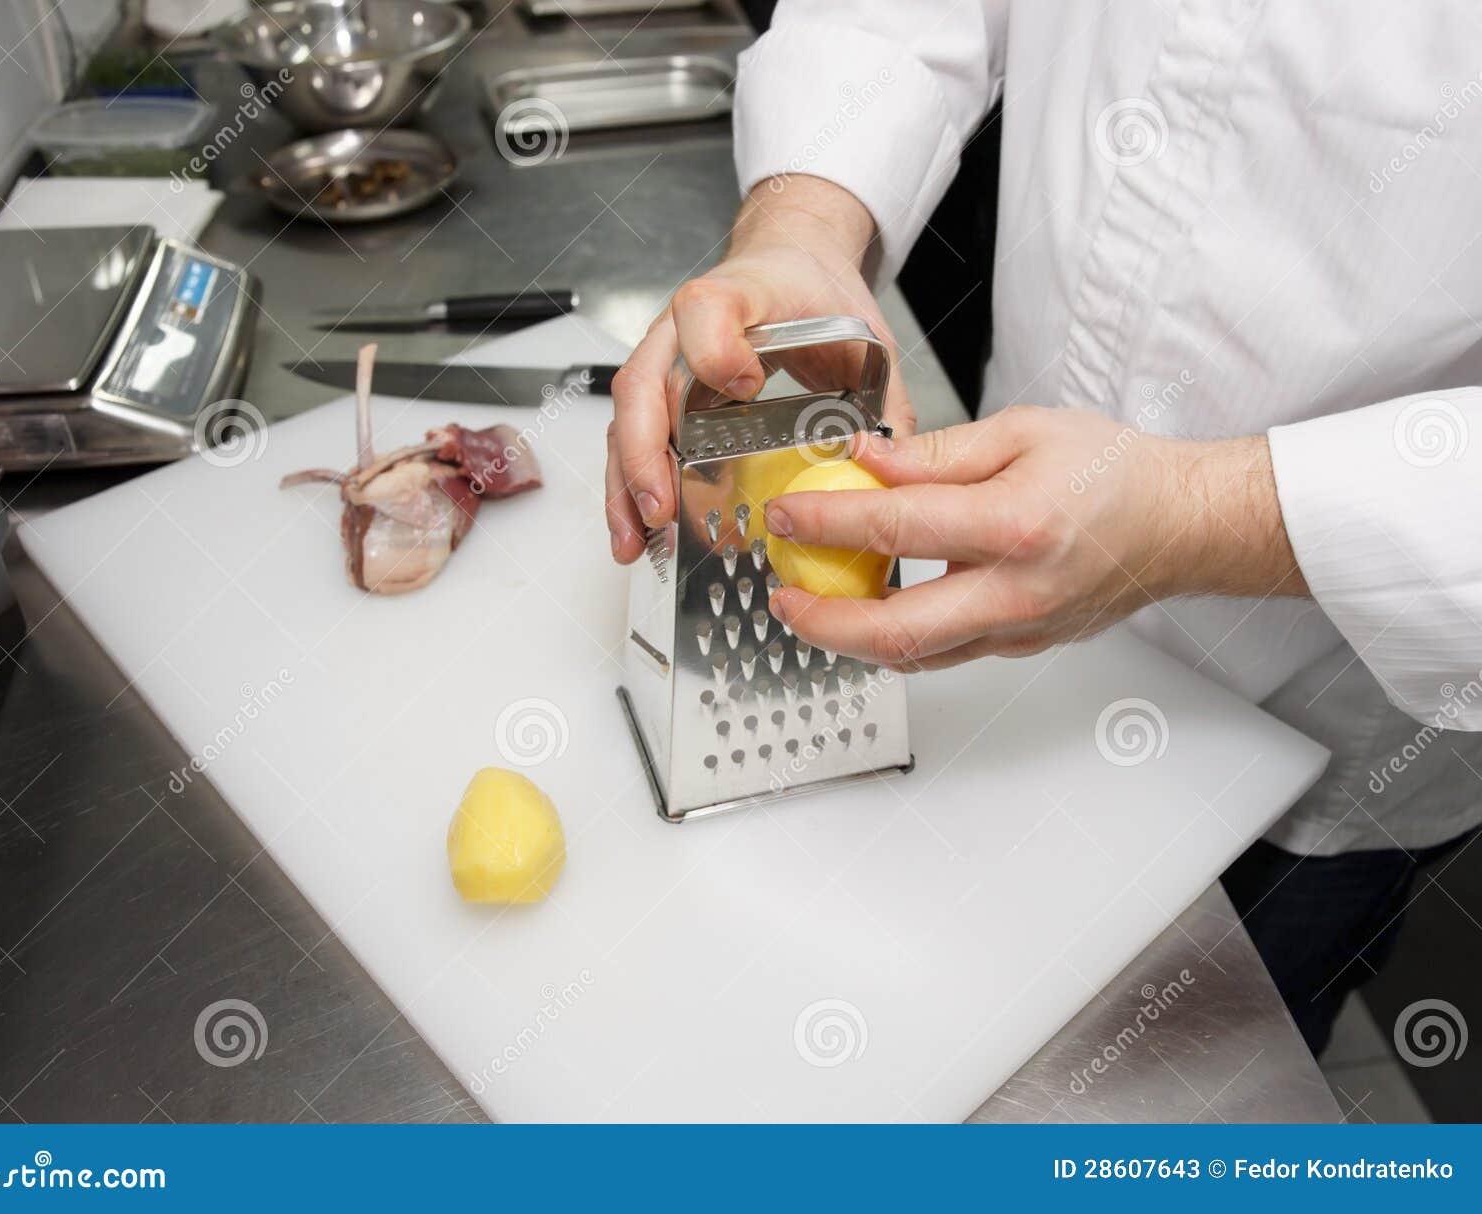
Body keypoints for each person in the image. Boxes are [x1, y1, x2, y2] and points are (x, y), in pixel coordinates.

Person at [605, 1, 1482, 1056]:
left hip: (1328, 711)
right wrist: (801, 226)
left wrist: (1197, 518)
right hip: (1006, 693)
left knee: (1168, 1101)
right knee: (940, 1033)